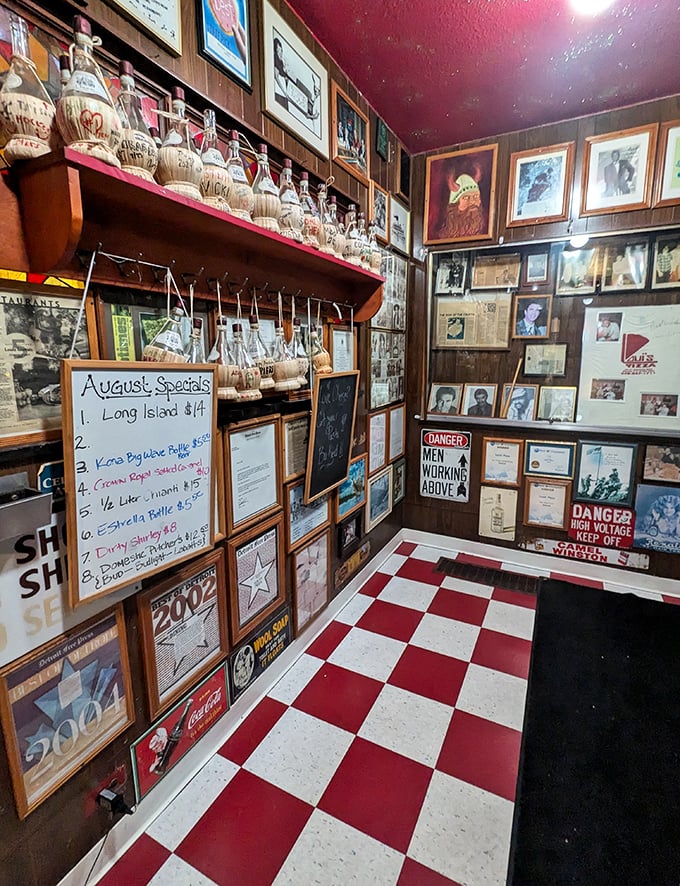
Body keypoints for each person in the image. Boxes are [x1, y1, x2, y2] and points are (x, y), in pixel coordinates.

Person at [438, 172, 485, 240]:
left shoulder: (484, 233)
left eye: (475, 196)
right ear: (455, 204)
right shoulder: (443, 237)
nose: (472, 202)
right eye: (466, 197)